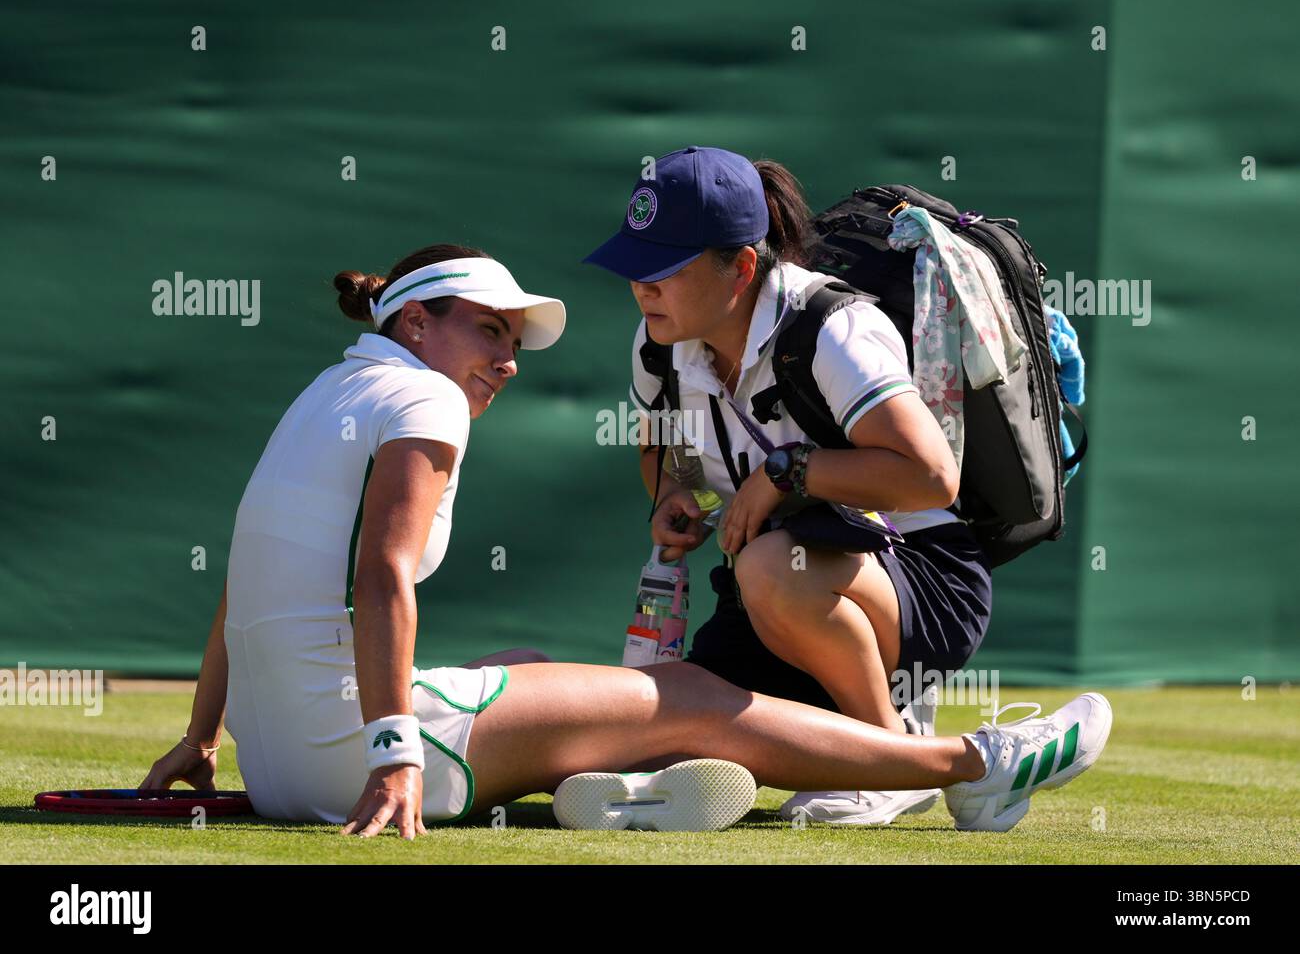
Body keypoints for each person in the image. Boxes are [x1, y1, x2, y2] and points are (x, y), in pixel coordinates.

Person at [141, 243, 1110, 837]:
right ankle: (973, 765)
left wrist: (203, 733)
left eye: (514, 340)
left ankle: (626, 783)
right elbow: (384, 571)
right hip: (351, 754)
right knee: (691, 695)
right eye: (487, 331)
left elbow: (244, 582)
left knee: (523, 666)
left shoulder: (322, 391)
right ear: (413, 320)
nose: (506, 361)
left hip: (277, 762)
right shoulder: (424, 395)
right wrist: (392, 752)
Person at [583, 146, 996, 826]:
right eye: (635, 267)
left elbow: (929, 476)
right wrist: (675, 495)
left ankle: (892, 759)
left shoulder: (835, 329)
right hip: (770, 594)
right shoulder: (659, 339)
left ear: (741, 267)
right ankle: (857, 721)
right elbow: (664, 454)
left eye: (663, 270)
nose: (641, 287)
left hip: (924, 580)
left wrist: (787, 472)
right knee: (681, 715)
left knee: (773, 564)